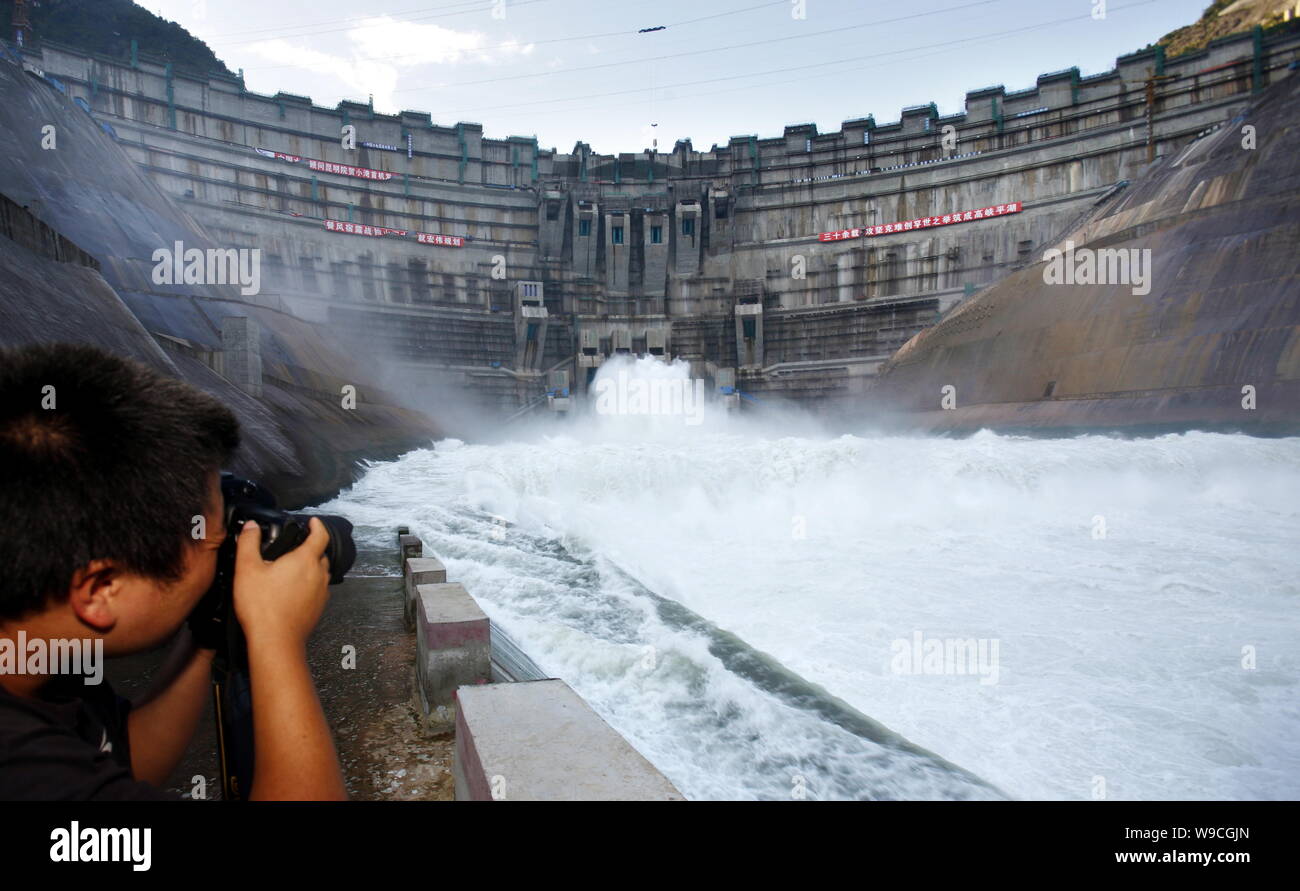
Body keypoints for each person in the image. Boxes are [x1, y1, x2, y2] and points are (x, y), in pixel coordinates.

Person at [0, 342, 347, 800]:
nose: (225, 546)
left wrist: (209, 629)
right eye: (216, 536)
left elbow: (121, 761)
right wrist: (275, 637)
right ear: (103, 590)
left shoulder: (40, 662)